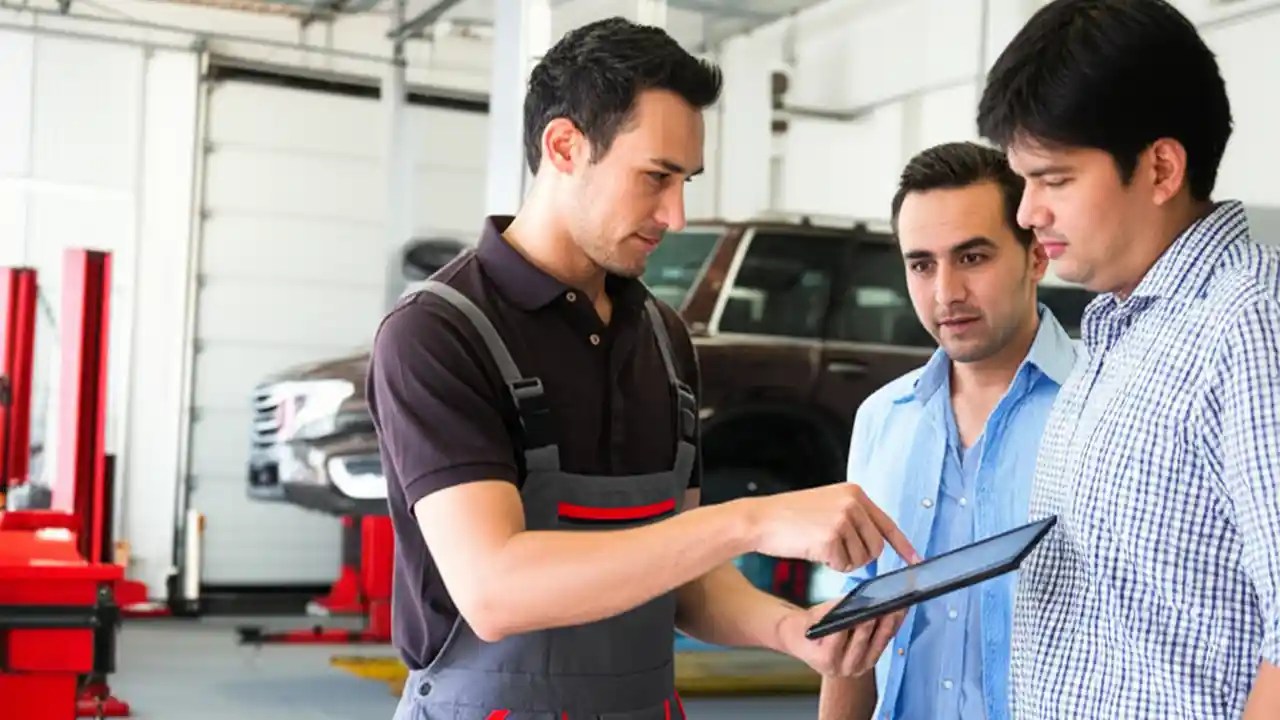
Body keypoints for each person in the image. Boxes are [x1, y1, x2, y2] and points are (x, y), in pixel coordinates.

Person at [365, 17, 918, 720]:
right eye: (656, 177)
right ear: (564, 145)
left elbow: (681, 579)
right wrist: (748, 521)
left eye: (685, 180)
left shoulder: (663, 339)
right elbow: (496, 589)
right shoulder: (437, 335)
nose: (677, 215)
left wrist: (793, 630)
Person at [975, 1, 1280, 717]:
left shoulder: (1249, 326)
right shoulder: (1120, 327)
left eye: (1053, 180)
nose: (1027, 213)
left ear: (1161, 168)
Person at [816, 141, 1079, 720]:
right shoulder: (883, 418)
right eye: (921, 264)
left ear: (1036, 255)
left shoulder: (1101, 406)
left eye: (973, 257)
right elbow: (857, 616)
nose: (945, 294)